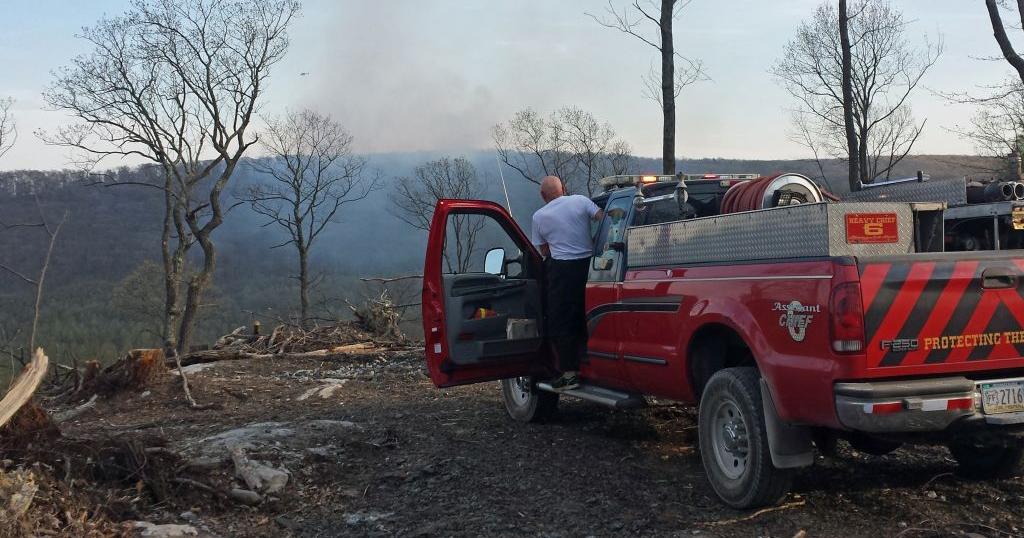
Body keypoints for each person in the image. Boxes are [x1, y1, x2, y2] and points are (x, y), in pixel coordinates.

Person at [531, 176, 604, 390]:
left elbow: (544, 251)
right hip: (591, 268)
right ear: (564, 188)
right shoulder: (581, 201)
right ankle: (598, 359)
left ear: (543, 196)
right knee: (588, 313)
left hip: (562, 272)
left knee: (561, 321)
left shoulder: (539, 216)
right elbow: (603, 217)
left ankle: (570, 374)